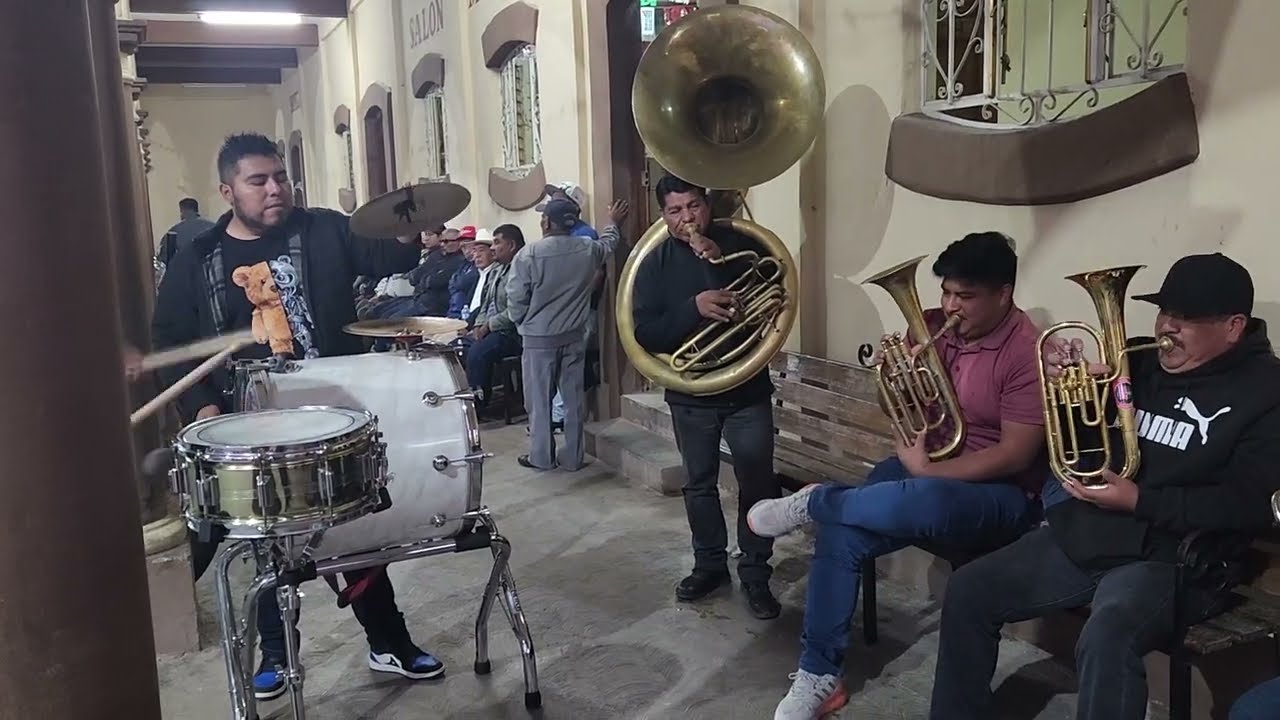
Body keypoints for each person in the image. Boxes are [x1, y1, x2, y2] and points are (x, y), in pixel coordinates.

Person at [152, 132, 444, 701]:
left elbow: (389, 252)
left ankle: (388, 642)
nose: (274, 189)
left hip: (331, 408)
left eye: (279, 176)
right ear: (227, 189)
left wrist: (412, 222)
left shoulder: (325, 229)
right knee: (268, 542)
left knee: (355, 533)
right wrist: (204, 405)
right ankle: (276, 653)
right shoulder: (199, 258)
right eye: (258, 181)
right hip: (249, 419)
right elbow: (171, 336)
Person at [926, 252, 1280, 720]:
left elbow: (1247, 504)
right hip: (1096, 530)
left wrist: (1140, 500)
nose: (1166, 328)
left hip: (1178, 555)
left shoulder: (1267, 390)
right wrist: (1074, 396)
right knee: (970, 589)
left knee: (1108, 635)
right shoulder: (1141, 360)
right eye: (1164, 312)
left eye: (1186, 319)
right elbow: (1092, 443)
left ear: (1233, 327)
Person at [746, 232, 1047, 718]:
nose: (950, 307)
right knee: (844, 534)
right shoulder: (933, 327)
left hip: (1000, 493)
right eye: (946, 292)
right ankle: (821, 675)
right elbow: (900, 405)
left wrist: (930, 469)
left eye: (965, 297)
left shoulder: (1024, 351)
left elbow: (1015, 454)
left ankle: (814, 501)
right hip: (925, 470)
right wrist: (895, 376)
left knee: (920, 498)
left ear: (1004, 295)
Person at [629, 174, 784, 620]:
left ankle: (756, 572)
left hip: (745, 388)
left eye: (693, 206)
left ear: (708, 204)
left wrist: (724, 261)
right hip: (692, 391)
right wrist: (692, 308)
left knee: (757, 483)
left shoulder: (743, 244)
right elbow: (645, 331)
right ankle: (709, 564)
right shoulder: (654, 264)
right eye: (675, 211)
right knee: (699, 484)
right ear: (664, 215)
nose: (686, 219)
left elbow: (774, 293)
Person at [507, 198, 626, 471]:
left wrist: (523, 322)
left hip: (538, 339)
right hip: (574, 336)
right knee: (573, 400)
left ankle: (542, 458)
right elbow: (609, 243)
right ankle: (573, 458)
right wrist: (613, 223)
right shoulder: (586, 249)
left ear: (547, 222)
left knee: (539, 402)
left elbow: (515, 299)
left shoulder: (529, 254)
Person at [537, 182, 601, 433]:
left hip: (578, 310)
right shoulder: (555, 240)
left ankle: (560, 417)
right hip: (558, 313)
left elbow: (596, 274)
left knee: (570, 368)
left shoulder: (585, 236)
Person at [461, 225, 523, 408]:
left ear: (511, 245)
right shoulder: (496, 271)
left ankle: (478, 406)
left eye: (497, 243)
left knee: (478, 353)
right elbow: (485, 305)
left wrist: (488, 327)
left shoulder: (521, 269)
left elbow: (515, 311)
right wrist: (477, 326)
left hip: (510, 332)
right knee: (457, 348)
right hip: (489, 328)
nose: (493, 248)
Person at [156, 197, 216, 268]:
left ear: (182, 211)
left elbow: (164, 261)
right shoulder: (213, 227)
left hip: (185, 274)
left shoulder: (173, 232)